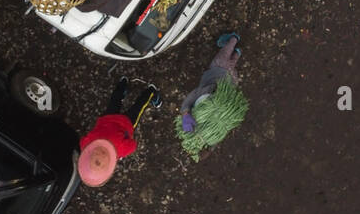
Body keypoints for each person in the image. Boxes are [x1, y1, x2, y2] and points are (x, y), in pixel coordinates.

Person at [175, 33, 249, 163]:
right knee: (225, 53)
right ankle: (234, 39)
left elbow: (217, 136)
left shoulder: (214, 135)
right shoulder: (207, 93)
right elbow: (193, 96)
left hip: (233, 80)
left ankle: (237, 53)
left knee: (232, 64)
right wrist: (185, 112)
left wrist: (209, 150)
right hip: (220, 67)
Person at [78, 77, 161, 187]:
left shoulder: (121, 149)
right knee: (114, 101)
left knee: (138, 107)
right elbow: (83, 139)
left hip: (126, 123)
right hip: (107, 118)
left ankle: (151, 91)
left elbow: (133, 145)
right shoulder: (86, 144)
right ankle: (123, 83)